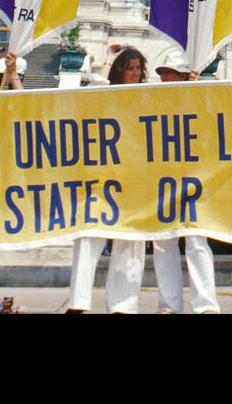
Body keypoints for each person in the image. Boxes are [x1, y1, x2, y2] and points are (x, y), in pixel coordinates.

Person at [64, 46, 148, 313]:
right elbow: (95, 86)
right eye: (129, 68)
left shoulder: (148, 96)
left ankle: (124, 304)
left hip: (133, 176)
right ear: (119, 70)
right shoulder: (105, 93)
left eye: (137, 68)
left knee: (131, 240)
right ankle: (78, 302)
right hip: (101, 176)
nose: (135, 73)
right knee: (88, 234)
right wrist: (109, 60)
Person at [150, 49, 220, 313]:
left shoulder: (200, 99)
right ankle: (168, 304)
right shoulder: (149, 102)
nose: (166, 78)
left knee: (196, 239)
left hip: (193, 179)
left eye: (171, 74)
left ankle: (205, 305)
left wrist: (196, 95)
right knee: (163, 242)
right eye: (164, 74)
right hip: (161, 179)